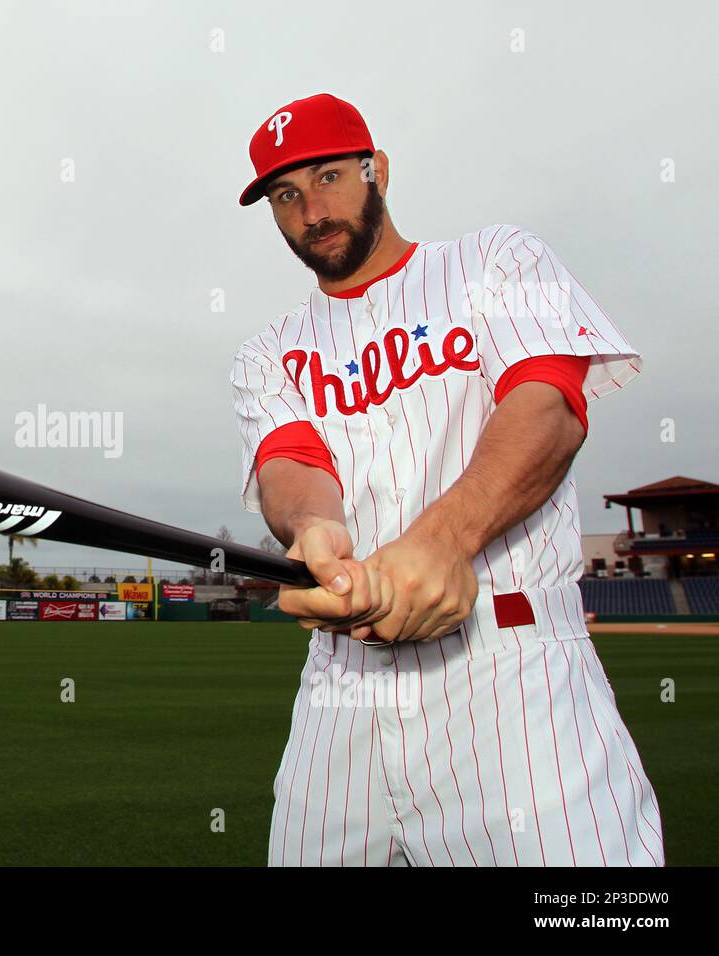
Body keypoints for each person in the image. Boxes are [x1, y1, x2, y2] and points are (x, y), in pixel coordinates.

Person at [232, 93, 661, 866]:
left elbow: (546, 406)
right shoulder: (269, 352)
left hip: (513, 677)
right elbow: (292, 465)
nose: (311, 209)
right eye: (285, 195)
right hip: (341, 688)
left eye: (328, 176)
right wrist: (315, 533)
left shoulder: (494, 261)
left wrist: (443, 540)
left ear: (378, 169)